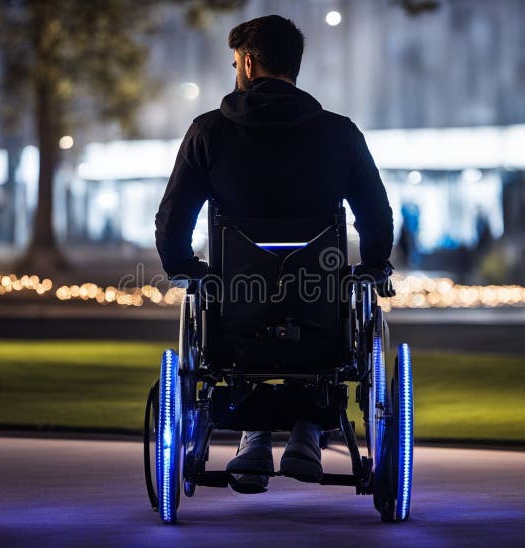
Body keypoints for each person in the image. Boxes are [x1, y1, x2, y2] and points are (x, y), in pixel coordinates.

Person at [155, 15, 393, 493]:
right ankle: (308, 431)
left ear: (246, 62)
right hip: (321, 312)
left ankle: (254, 435)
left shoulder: (208, 132)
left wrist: (186, 268)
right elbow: (376, 216)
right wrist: (371, 266)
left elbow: (172, 221)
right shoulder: (340, 133)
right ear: (293, 66)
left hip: (236, 315)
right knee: (329, 334)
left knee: (230, 333)